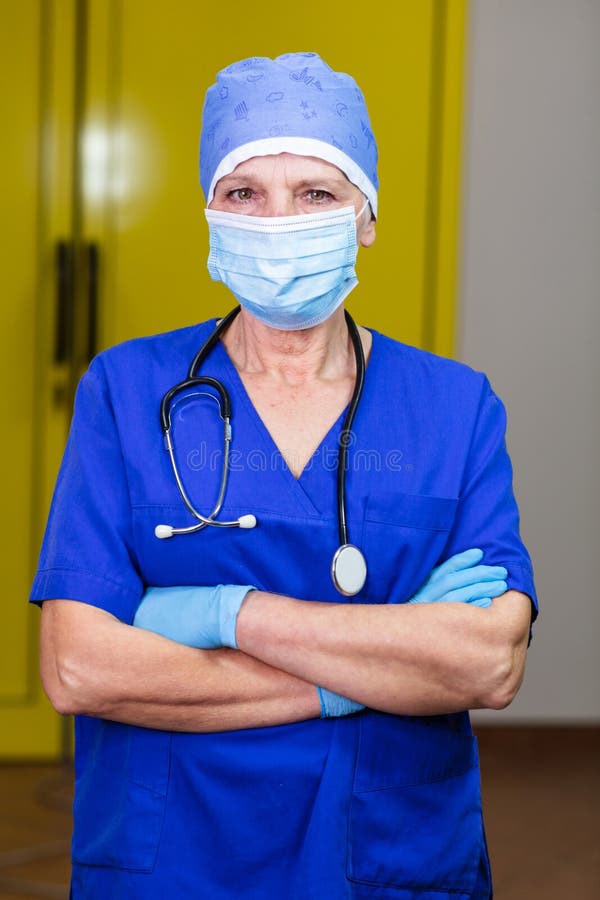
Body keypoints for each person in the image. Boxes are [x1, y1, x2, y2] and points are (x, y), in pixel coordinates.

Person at [31, 52, 537, 899]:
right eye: (244, 194)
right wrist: (373, 669)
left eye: (315, 193)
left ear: (366, 215)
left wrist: (220, 614)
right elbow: (82, 668)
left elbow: (486, 666)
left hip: (386, 855)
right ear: (210, 215)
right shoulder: (126, 391)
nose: (278, 220)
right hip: (175, 859)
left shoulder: (455, 407)